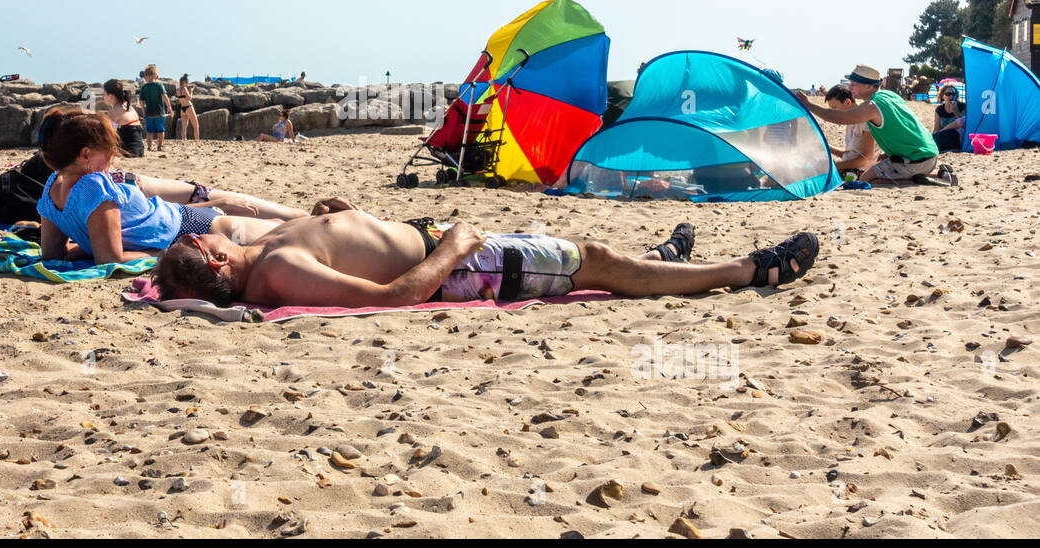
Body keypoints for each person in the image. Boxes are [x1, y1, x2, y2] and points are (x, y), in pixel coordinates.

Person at [153, 201, 818, 308]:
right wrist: (456, 245)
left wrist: (334, 213)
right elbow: (393, 297)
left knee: (592, 253)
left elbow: (349, 248)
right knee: (595, 260)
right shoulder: (273, 270)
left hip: (440, 238)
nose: (206, 232)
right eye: (198, 241)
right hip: (461, 261)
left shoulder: (262, 251)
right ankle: (746, 270)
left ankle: (663, 256)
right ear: (215, 266)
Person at [36, 113, 287, 264]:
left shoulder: (51, 188)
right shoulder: (93, 185)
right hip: (185, 230)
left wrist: (87, 249)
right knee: (278, 239)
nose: (113, 159)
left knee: (279, 234)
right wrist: (161, 251)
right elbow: (111, 259)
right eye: (108, 152)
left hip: (187, 220)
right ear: (85, 154)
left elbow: (53, 253)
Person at [795, 63, 950, 185]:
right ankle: (938, 175)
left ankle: (933, 180)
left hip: (917, 159)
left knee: (868, 180)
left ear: (868, 86)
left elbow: (840, 118)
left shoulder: (871, 107)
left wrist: (809, 105)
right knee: (874, 173)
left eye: (853, 84)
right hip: (927, 154)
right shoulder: (889, 95)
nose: (849, 88)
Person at [823, 85, 878, 176]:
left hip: (860, 172)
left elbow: (868, 158)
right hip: (850, 168)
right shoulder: (851, 121)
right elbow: (851, 153)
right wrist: (826, 146)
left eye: (834, 108)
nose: (832, 113)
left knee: (819, 173)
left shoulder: (864, 120)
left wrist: (838, 165)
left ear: (847, 102)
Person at [103, 78, 145, 157]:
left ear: (111, 96)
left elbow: (108, 136)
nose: (103, 96)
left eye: (104, 94)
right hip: (140, 150)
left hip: (128, 152)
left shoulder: (114, 111)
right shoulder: (128, 106)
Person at [138, 64, 173, 152]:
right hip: (160, 112)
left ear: (145, 77)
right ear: (156, 76)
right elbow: (164, 96)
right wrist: (169, 107)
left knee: (149, 131)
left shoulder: (144, 87)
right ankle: (160, 146)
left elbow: (141, 101)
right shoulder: (159, 85)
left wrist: (143, 111)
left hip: (149, 113)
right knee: (160, 131)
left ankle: (149, 147)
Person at [932, 84, 966, 154]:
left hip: (956, 136)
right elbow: (936, 128)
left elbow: (964, 125)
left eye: (953, 94)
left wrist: (956, 112)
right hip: (943, 135)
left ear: (956, 96)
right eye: (948, 94)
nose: (951, 96)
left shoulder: (962, 107)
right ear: (942, 96)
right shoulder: (940, 110)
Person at [176, 74, 199, 141]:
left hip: (182, 109)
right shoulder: (185, 88)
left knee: (184, 127)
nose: (187, 84)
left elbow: (182, 98)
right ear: (184, 82)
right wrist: (191, 91)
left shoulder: (177, 90)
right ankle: (197, 140)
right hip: (189, 107)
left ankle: (183, 139)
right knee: (196, 126)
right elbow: (189, 98)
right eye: (187, 82)